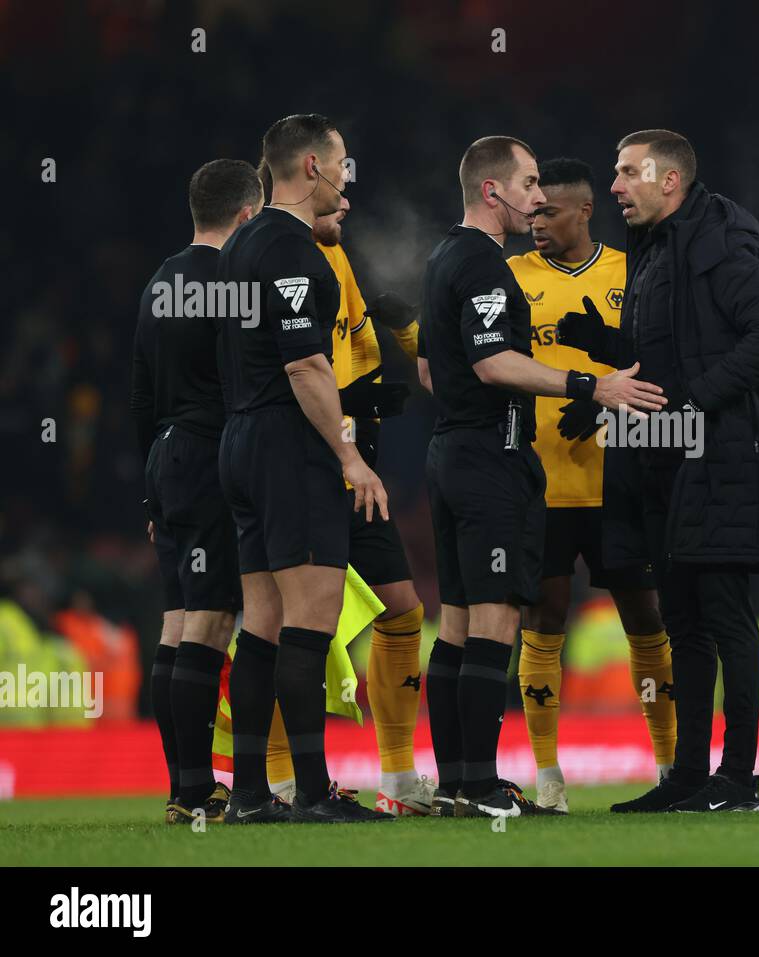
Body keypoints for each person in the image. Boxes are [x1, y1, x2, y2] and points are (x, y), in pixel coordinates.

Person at [416, 136, 665, 818]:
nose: (537, 197)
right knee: (498, 619)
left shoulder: (443, 257)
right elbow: (494, 362)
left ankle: (454, 782)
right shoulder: (489, 267)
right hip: (491, 460)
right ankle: (480, 784)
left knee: (460, 622)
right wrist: (588, 386)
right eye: (527, 183)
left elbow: (431, 368)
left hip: (454, 451)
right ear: (492, 191)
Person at [559, 130, 759, 813]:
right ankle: (690, 776)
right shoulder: (659, 247)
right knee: (686, 624)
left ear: (670, 180)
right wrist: (603, 346)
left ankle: (741, 778)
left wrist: (696, 397)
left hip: (723, 460)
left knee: (726, 618)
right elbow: (670, 353)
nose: (614, 186)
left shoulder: (720, 237)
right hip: (665, 463)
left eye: (627, 172)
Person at [217, 113, 391, 823]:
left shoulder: (242, 243)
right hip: (291, 447)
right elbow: (305, 362)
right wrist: (350, 455)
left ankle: (253, 793)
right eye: (343, 162)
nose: (349, 175)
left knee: (261, 620)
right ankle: (314, 792)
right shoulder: (292, 250)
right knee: (311, 619)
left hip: (242, 441)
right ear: (313, 167)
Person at [507, 157, 674, 813]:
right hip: (540, 480)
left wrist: (604, 404)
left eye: (546, 211)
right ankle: (547, 777)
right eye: (530, 209)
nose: (534, 220)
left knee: (646, 619)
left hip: (622, 481)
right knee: (543, 623)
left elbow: (659, 361)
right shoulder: (511, 278)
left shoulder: (631, 272)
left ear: (583, 211)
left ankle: (669, 765)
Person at [130, 158, 262, 824]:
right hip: (213, 457)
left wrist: (151, 494)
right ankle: (192, 790)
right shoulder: (233, 282)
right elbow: (247, 381)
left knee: (177, 620)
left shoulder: (159, 279)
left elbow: (141, 395)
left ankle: (184, 785)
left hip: (166, 456)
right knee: (210, 621)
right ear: (245, 216)